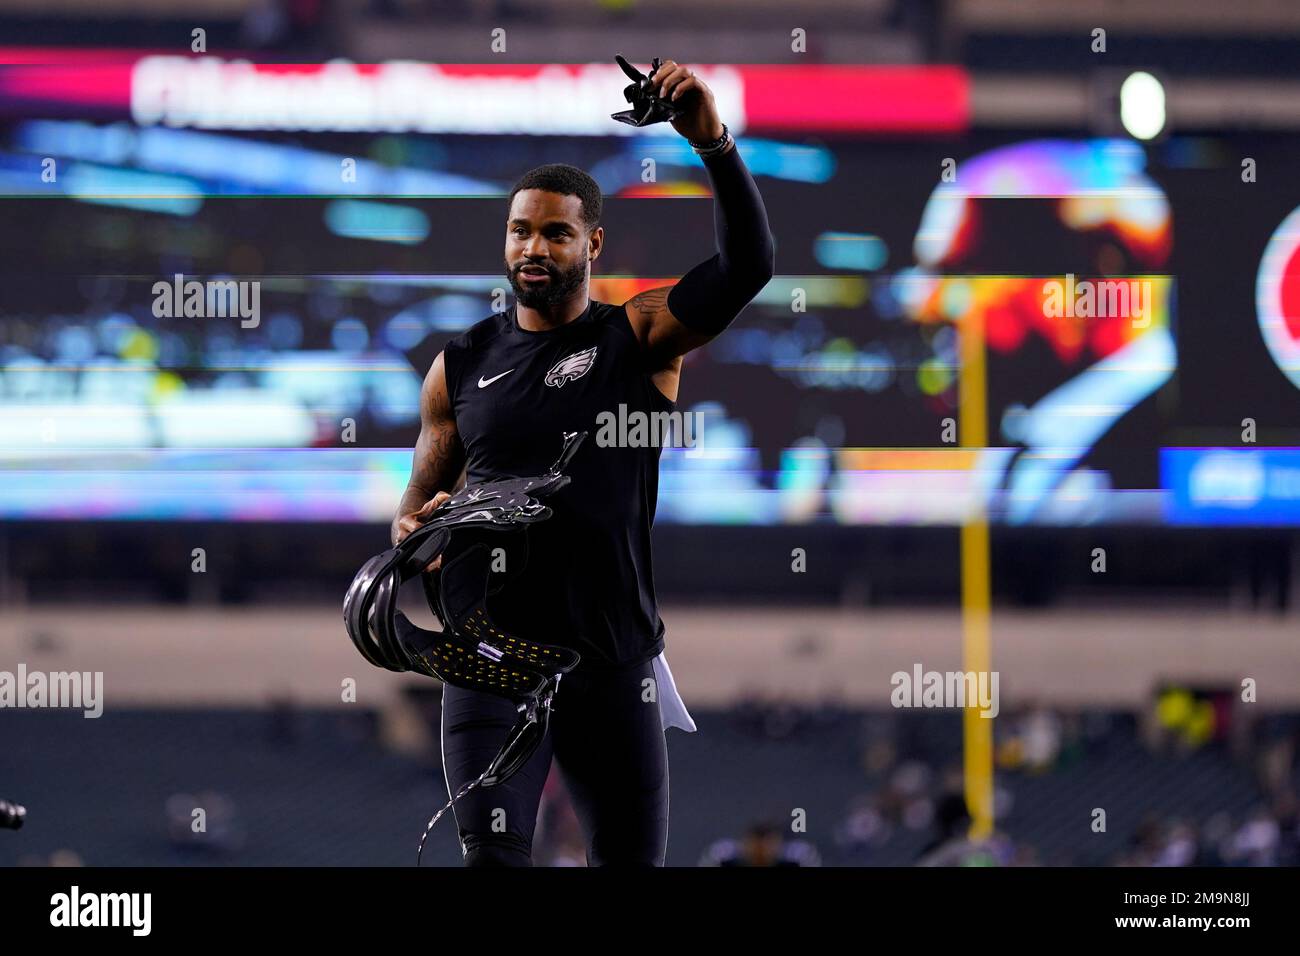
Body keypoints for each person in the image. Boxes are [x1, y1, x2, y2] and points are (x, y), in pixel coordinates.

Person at [392, 59, 775, 866]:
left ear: (592, 242)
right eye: (521, 230)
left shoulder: (635, 336)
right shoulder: (457, 365)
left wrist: (715, 145)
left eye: (556, 232)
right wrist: (414, 529)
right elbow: (417, 503)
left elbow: (748, 271)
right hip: (489, 660)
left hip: (612, 666)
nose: (534, 247)